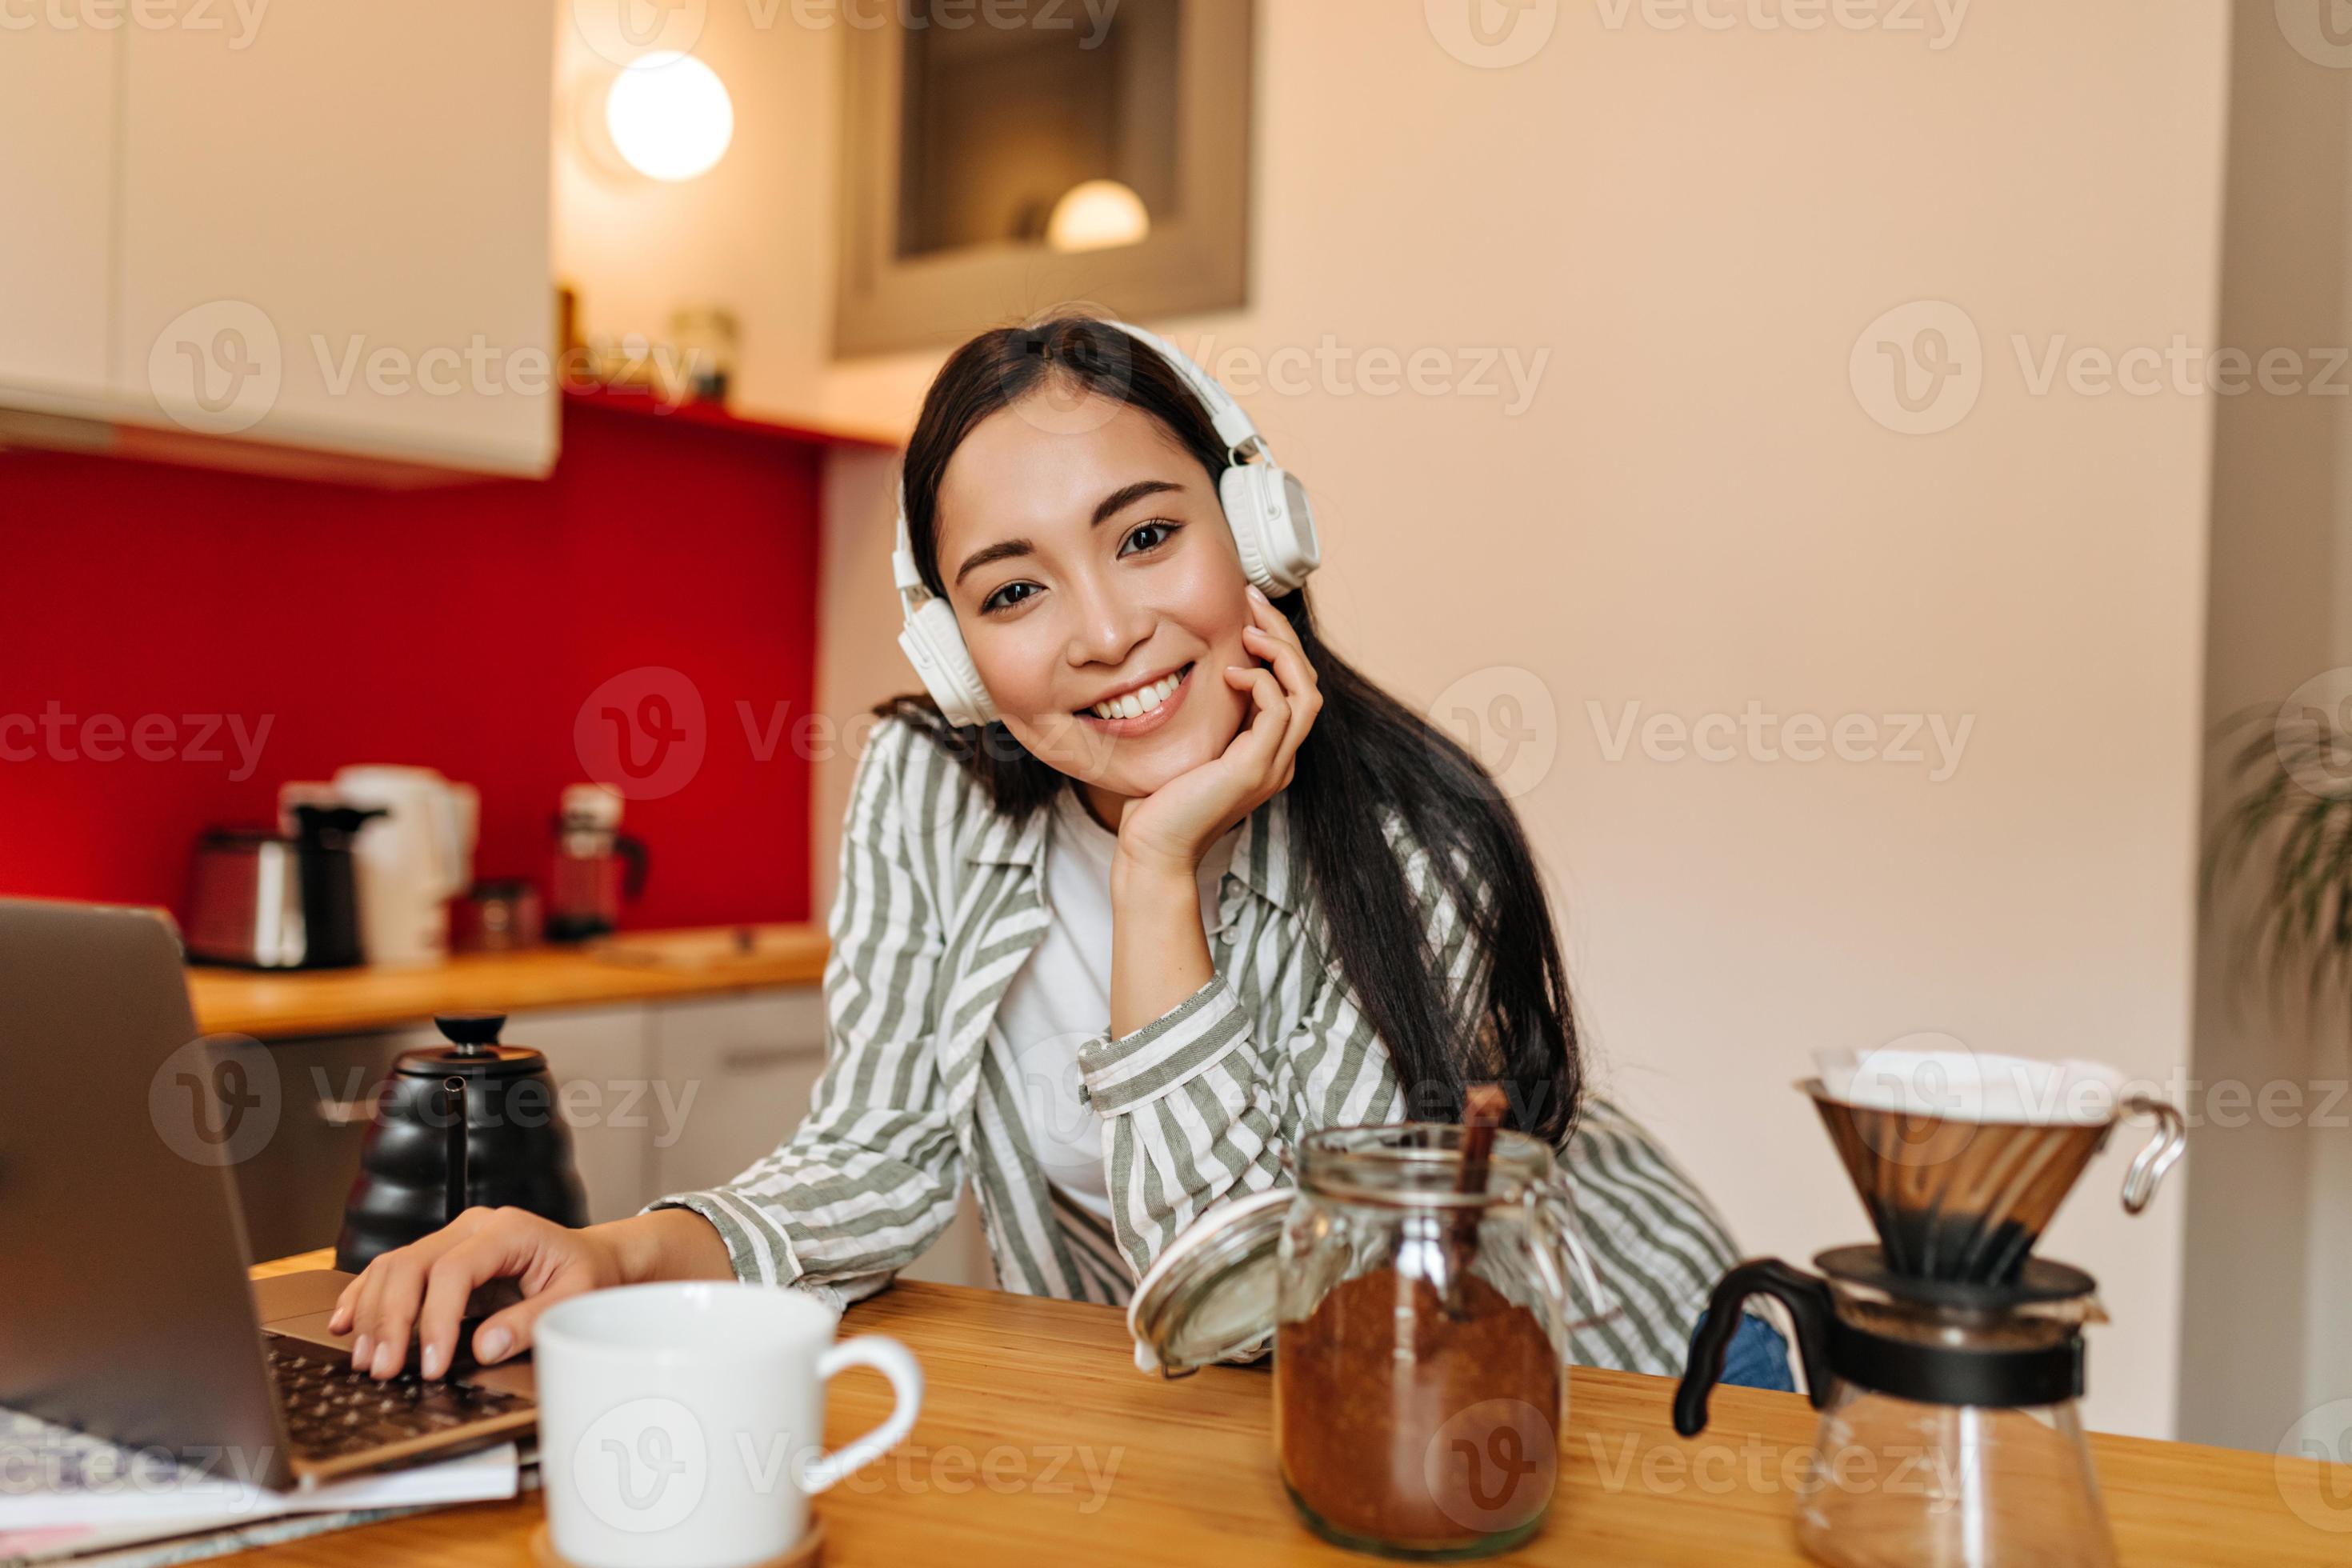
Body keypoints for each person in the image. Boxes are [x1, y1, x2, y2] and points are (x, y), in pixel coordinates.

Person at [330, 314, 1790, 1393]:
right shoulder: (931, 786)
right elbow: (869, 1161)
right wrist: (618, 1260)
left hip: (1632, 1392)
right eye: (1015, 588)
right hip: (1260, 1446)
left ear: (1258, 529)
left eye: (1147, 536)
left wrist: (1158, 872)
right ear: (957, 657)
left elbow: (1271, 1313)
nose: (1102, 632)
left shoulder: (1415, 846)